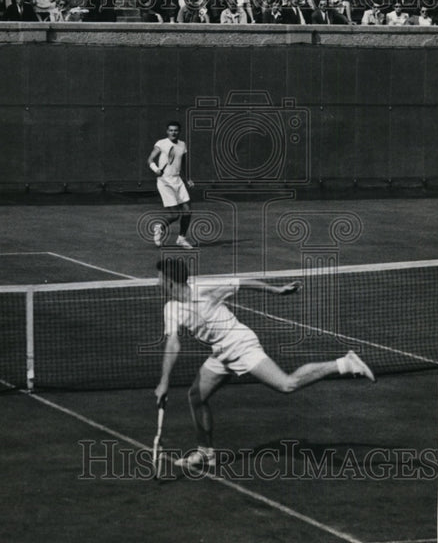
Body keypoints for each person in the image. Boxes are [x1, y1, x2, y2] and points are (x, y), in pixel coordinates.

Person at [154, 256, 375, 469]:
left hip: (242, 345)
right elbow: (173, 343)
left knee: (286, 384)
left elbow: (243, 283)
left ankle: (345, 363)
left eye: (160, 278)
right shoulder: (171, 309)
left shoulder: (205, 287)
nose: (157, 282)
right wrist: (164, 380)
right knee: (196, 397)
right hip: (221, 353)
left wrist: (275, 290)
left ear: (171, 282)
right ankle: (205, 452)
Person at [147, 122, 194, 249]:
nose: (173, 132)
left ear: (179, 132)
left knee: (187, 211)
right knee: (174, 215)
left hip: (178, 180)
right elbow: (150, 159)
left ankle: (181, 239)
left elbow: (182, 163)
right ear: (167, 131)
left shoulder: (182, 145)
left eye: (176, 130)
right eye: (171, 130)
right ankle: (159, 227)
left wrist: (187, 178)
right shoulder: (161, 143)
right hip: (165, 182)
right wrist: (156, 169)